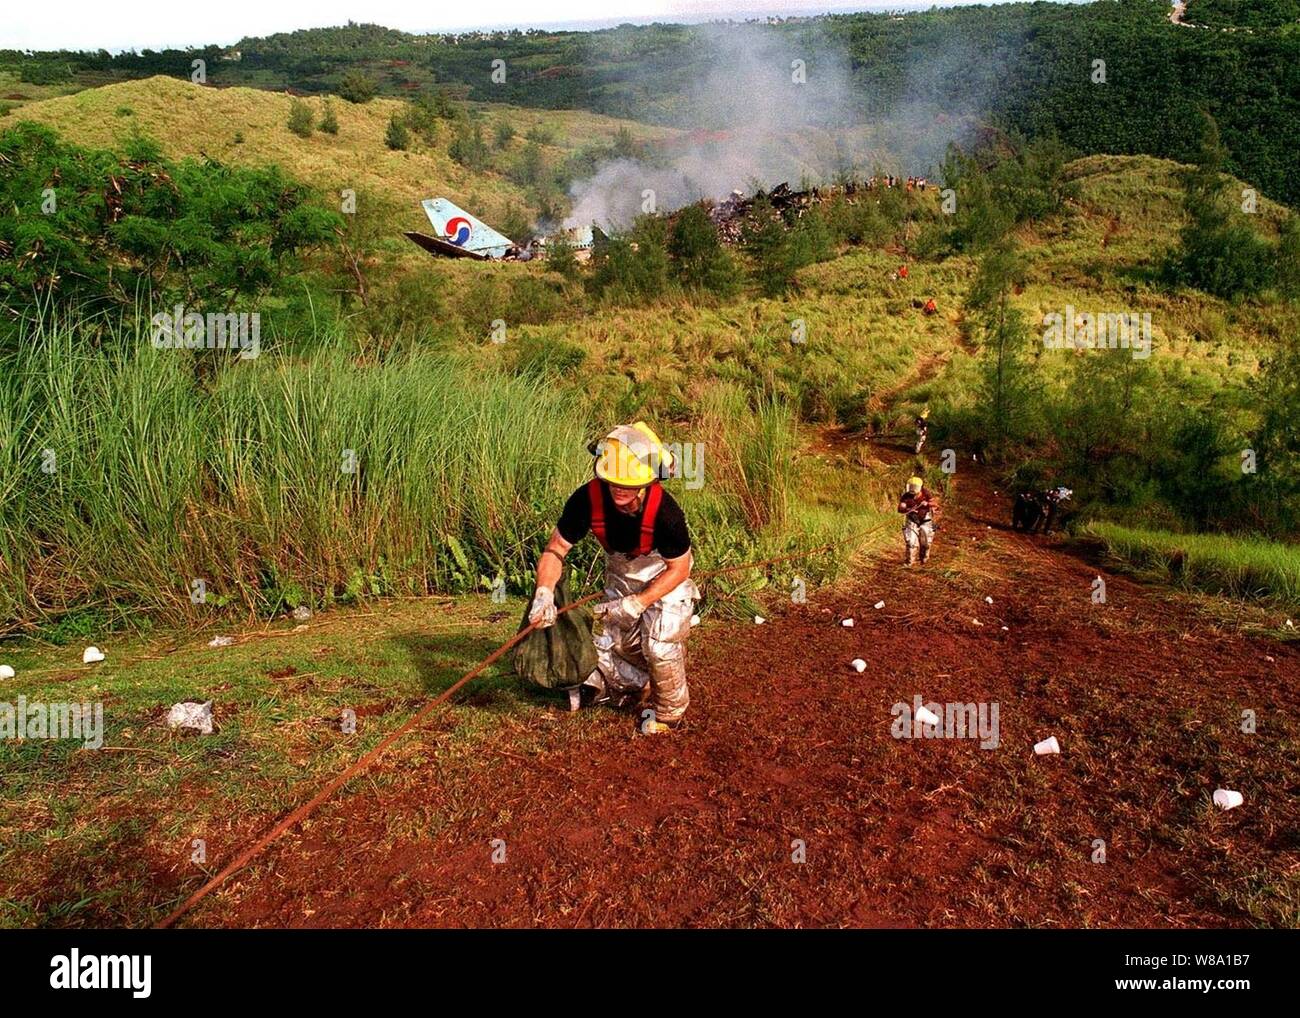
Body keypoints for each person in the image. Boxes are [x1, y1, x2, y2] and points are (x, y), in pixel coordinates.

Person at [528, 423, 699, 734]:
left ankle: (670, 713)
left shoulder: (667, 514)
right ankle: (629, 687)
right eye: (612, 481)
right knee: (618, 643)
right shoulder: (585, 500)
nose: (619, 489)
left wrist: (639, 602)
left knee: (661, 642)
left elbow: (680, 568)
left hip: (665, 574)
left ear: (647, 481)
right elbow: (556, 550)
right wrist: (544, 591)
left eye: (628, 483)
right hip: (621, 570)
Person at [897, 475, 938, 566]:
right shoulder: (906, 496)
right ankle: (909, 562)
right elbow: (900, 509)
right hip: (912, 520)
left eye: (914, 487)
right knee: (911, 541)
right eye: (911, 486)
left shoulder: (926, 493)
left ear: (920, 487)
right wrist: (907, 509)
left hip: (926, 520)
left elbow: (935, 504)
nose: (912, 489)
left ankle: (924, 559)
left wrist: (927, 504)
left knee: (926, 542)